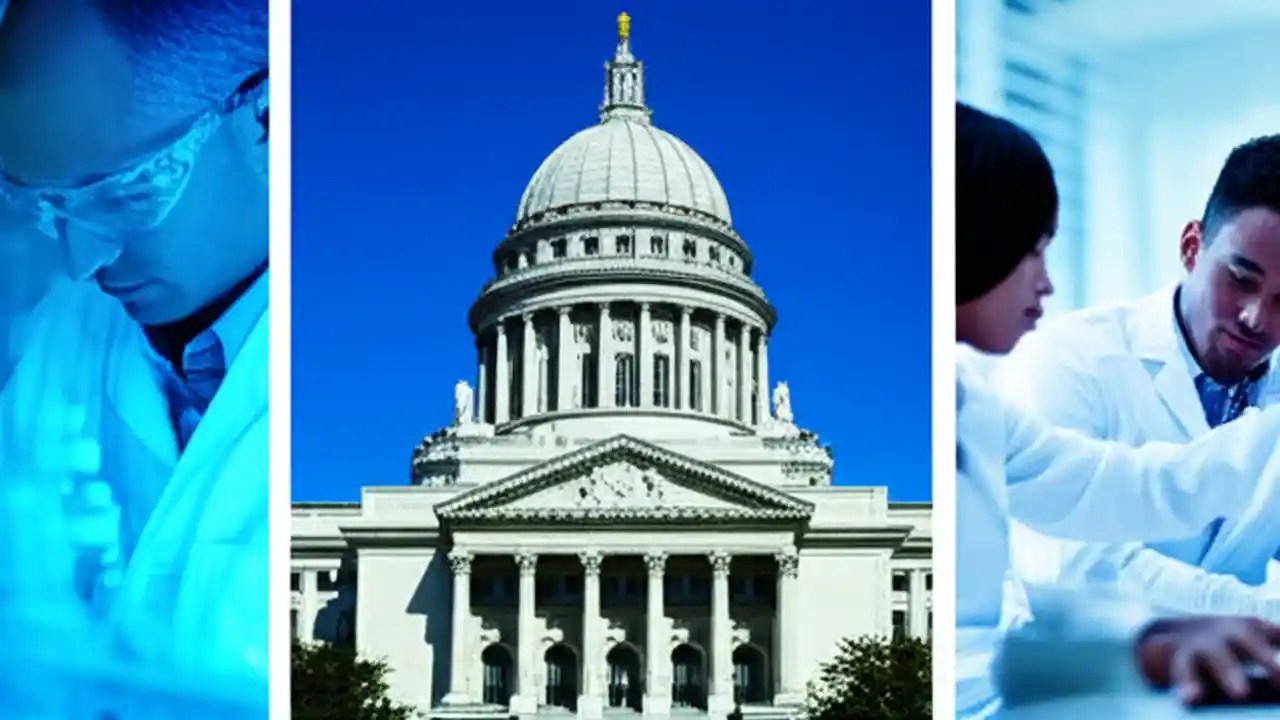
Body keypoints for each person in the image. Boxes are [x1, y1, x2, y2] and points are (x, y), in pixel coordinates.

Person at [955, 102, 1280, 718]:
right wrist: (1175, 639)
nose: (1257, 319)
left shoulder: (976, 412)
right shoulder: (1062, 360)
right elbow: (1062, 571)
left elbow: (1145, 484)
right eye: (1032, 251)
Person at [0, 0, 268, 691]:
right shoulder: (56, 341)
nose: (83, 258)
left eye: (120, 195)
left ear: (268, 115)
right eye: (46, 207)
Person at [995, 136, 1280, 618]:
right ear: (1192, 248)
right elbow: (1068, 562)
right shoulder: (1066, 357)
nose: (1257, 318)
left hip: (1234, 686)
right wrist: (1259, 614)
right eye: (1240, 279)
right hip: (1075, 678)